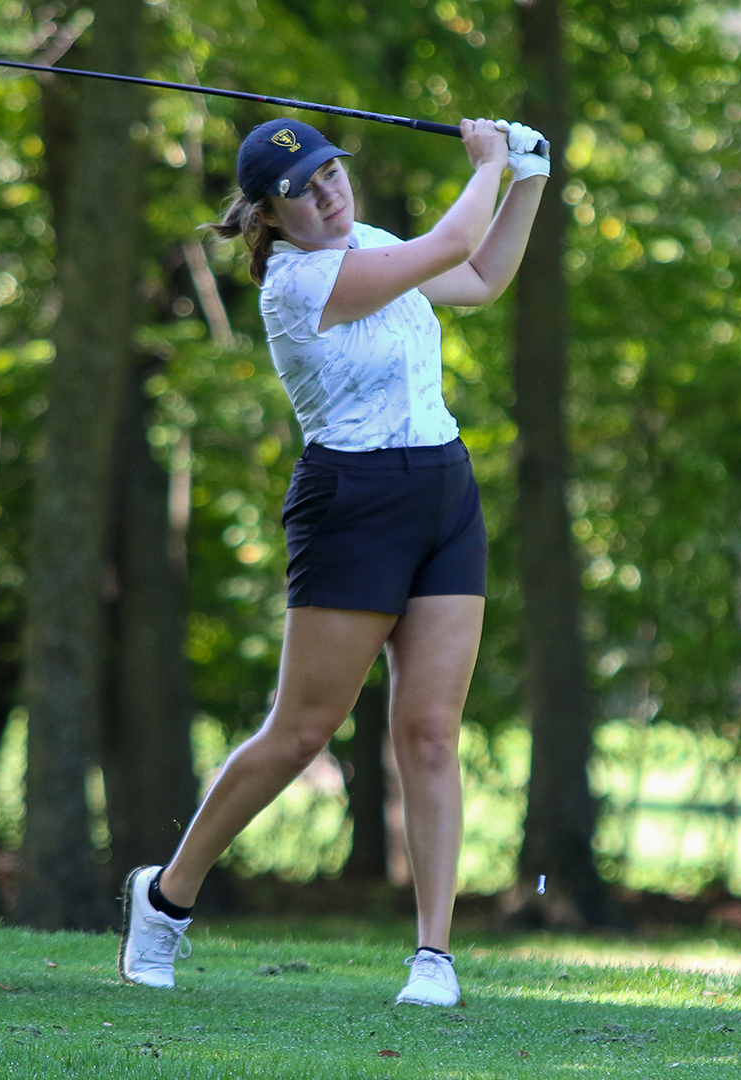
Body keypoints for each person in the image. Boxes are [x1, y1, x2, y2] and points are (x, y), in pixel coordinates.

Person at [118, 114, 549, 1008]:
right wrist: (491, 164)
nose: (328, 193)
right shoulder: (299, 281)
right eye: (303, 190)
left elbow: (477, 275)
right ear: (269, 217)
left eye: (332, 174)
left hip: (443, 489)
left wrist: (531, 180)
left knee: (430, 730)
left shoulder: (373, 242)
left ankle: (433, 956)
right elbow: (458, 235)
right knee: (301, 731)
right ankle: (165, 900)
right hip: (354, 504)